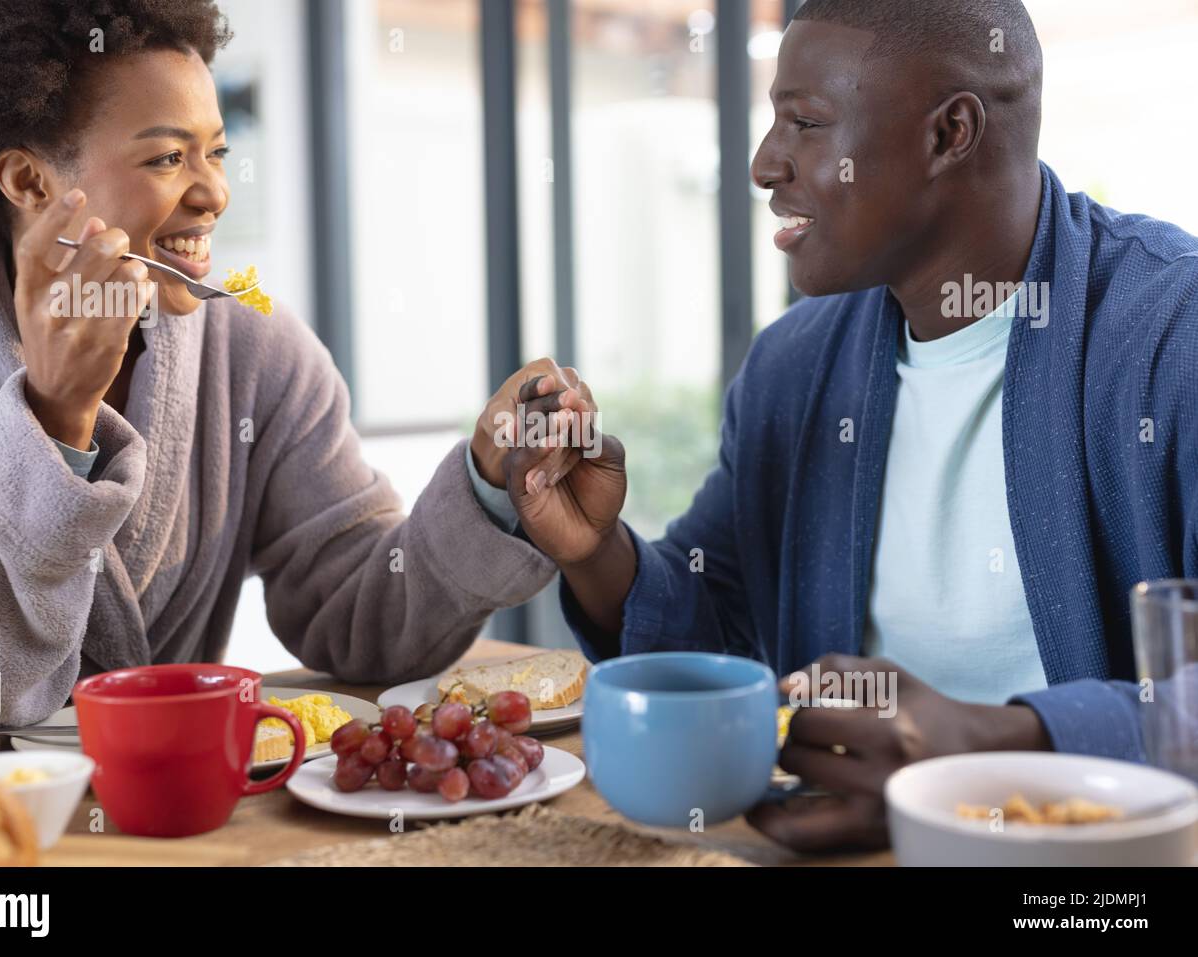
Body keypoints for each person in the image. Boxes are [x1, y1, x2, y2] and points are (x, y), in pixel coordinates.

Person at [501, 0, 1198, 851]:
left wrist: (994, 746)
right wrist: (595, 553)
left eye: (805, 121)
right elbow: (719, 640)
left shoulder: (1172, 336)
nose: (763, 163)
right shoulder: (794, 368)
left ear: (950, 134)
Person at [0, 0, 586, 726]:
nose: (215, 192)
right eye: (168, 157)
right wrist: (53, 420)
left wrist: (488, 485)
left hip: (195, 813)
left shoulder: (255, 352)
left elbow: (357, 610)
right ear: (31, 183)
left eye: (216, 152)